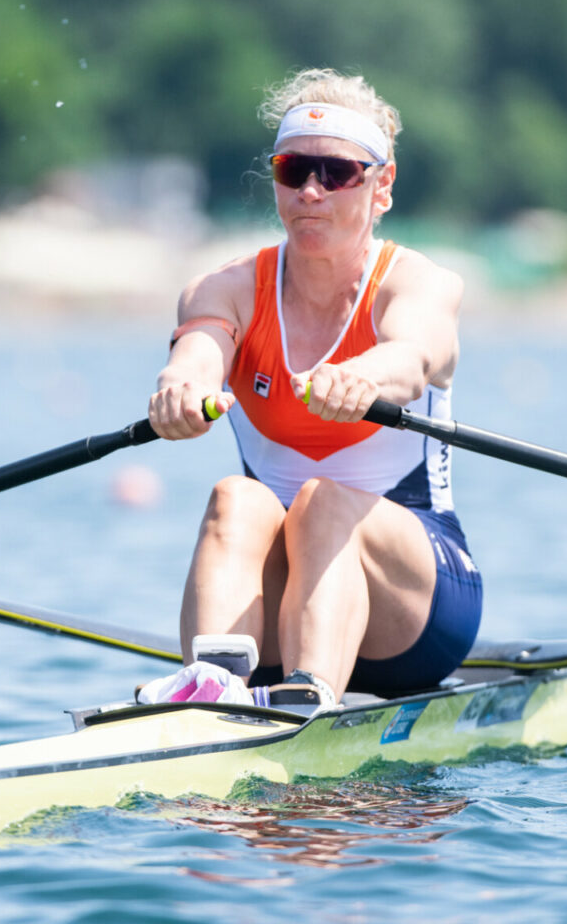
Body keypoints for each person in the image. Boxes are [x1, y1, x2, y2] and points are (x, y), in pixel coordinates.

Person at [145, 68, 482, 713]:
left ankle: (309, 703)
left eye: (337, 174)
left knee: (322, 501)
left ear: (381, 186)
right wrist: (181, 391)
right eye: (293, 169)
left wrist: (364, 376)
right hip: (276, 602)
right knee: (234, 497)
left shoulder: (420, 284)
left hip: (419, 612)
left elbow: (412, 358)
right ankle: (213, 695)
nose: (310, 191)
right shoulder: (225, 289)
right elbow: (196, 354)